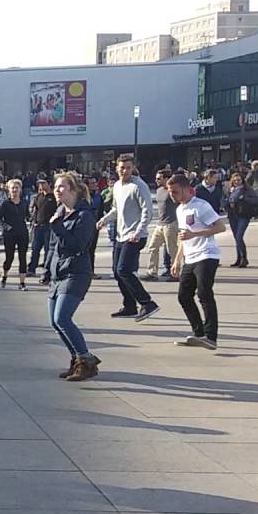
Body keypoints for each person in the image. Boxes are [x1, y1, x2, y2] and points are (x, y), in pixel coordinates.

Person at [46, 174, 100, 382]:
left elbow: (78, 245)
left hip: (76, 272)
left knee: (62, 318)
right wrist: (47, 269)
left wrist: (58, 228)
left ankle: (86, 360)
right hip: (58, 273)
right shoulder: (60, 211)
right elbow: (53, 246)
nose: (57, 190)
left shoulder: (84, 216)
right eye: (56, 187)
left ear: (74, 190)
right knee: (55, 322)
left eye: (62, 187)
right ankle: (77, 359)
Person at [98, 155, 160, 321]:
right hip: (121, 235)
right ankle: (130, 306)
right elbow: (116, 209)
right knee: (117, 272)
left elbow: (147, 211)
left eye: (127, 168)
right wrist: (104, 220)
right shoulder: (117, 186)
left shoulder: (138, 186)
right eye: (121, 167)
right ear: (116, 168)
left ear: (133, 168)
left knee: (124, 270)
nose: (124, 171)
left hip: (135, 236)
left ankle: (147, 303)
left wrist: (138, 232)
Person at [168, 174, 225, 350]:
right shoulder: (180, 209)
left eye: (175, 192)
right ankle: (198, 333)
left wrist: (195, 234)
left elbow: (220, 227)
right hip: (190, 257)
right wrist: (177, 260)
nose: (172, 195)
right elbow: (183, 237)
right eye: (170, 192)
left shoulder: (201, 206)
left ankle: (211, 336)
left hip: (207, 254)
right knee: (183, 296)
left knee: (204, 293)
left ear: (186, 189)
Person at [0, 179, 29, 291]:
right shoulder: (5, 203)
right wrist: (5, 227)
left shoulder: (24, 203)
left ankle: (22, 282)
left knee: (23, 257)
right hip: (10, 234)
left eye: (17, 188)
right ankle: (4, 276)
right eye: (12, 188)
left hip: (22, 232)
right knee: (10, 257)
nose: (15, 190)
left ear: (20, 189)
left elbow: (28, 215)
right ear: (9, 190)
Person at [143, 169, 179, 281]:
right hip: (160, 223)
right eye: (156, 178)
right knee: (152, 247)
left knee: (172, 250)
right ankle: (152, 272)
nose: (156, 180)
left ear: (167, 179)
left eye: (159, 178)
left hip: (171, 223)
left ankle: (175, 273)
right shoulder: (159, 190)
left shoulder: (173, 191)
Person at [26, 178, 57, 280]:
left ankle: (47, 270)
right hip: (38, 226)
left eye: (43, 183)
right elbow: (34, 209)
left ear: (49, 184)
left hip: (49, 226)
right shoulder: (38, 196)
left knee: (48, 249)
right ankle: (31, 268)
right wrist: (33, 220)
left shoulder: (53, 197)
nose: (41, 185)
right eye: (40, 184)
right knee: (35, 248)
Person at [226, 172, 254, 267]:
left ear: (242, 180)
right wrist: (226, 202)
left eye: (238, 180)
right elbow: (224, 200)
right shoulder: (230, 189)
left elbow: (256, 199)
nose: (236, 182)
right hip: (232, 215)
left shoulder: (247, 189)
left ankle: (244, 258)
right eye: (234, 180)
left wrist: (244, 198)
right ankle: (239, 259)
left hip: (243, 215)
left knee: (239, 237)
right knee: (236, 238)